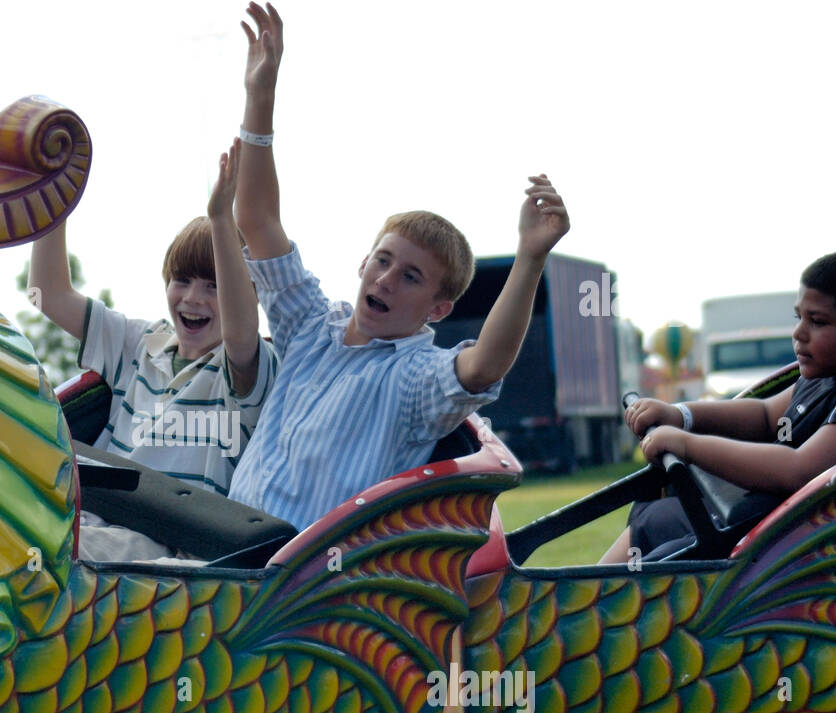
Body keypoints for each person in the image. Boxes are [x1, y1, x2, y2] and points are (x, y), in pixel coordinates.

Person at [225, 3, 571, 531]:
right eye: (382, 261)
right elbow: (255, 218)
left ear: (438, 307)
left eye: (410, 276)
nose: (386, 278)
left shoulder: (412, 380)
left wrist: (530, 257)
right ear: (363, 263)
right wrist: (260, 94)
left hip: (302, 592)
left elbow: (483, 366)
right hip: (222, 555)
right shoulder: (311, 328)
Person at [29, 140, 277, 561]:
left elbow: (240, 332)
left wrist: (221, 219)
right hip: (90, 513)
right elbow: (46, 295)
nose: (193, 299)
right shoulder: (139, 343)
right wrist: (55, 198)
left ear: (245, 295)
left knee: (40, 550)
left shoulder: (244, 370)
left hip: (170, 542)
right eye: (182, 280)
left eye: (214, 286)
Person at [601, 253, 836, 563]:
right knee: (653, 519)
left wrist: (687, 445)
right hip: (746, 526)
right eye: (799, 318)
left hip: (779, 555)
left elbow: (797, 469)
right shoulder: (819, 380)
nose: (799, 333)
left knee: (666, 566)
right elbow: (765, 416)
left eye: (817, 321)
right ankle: (567, 608)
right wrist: (680, 415)